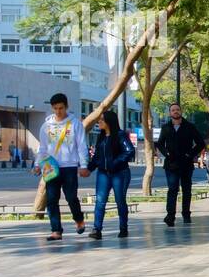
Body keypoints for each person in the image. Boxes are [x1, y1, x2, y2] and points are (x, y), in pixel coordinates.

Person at [32, 92, 89, 242]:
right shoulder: (46, 126)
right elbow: (42, 148)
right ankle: (56, 230)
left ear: (67, 106)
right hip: (51, 167)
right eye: (55, 108)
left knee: (71, 198)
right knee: (52, 199)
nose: (58, 111)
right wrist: (37, 164)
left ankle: (79, 220)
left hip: (70, 167)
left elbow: (82, 146)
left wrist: (83, 165)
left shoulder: (75, 124)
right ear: (52, 108)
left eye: (61, 108)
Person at [87, 110, 135, 239]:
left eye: (102, 119)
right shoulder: (101, 137)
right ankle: (97, 230)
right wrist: (89, 169)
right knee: (100, 201)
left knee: (120, 201)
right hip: (103, 173)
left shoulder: (120, 135)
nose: (99, 122)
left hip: (120, 173)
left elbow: (129, 151)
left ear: (109, 121)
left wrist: (115, 162)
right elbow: (97, 157)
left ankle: (123, 228)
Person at [157, 102, 202, 226]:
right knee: (172, 189)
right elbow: (160, 143)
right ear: (170, 113)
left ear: (181, 111)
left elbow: (200, 143)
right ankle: (170, 216)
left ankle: (186, 214)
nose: (175, 111)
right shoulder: (166, 127)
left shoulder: (190, 127)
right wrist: (166, 154)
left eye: (177, 109)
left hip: (186, 164)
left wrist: (190, 155)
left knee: (186, 190)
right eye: (173, 110)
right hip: (171, 164)